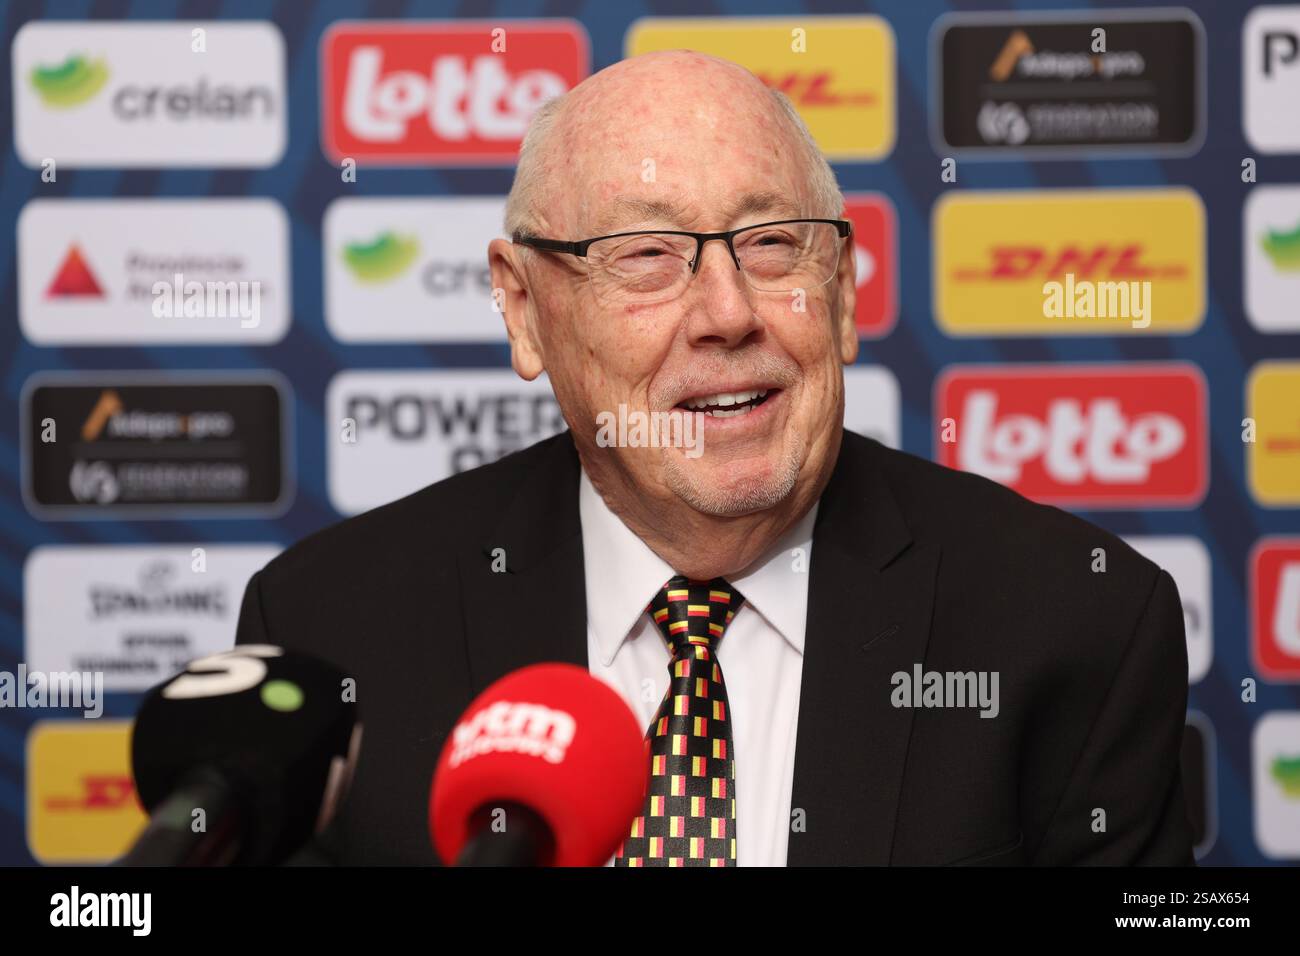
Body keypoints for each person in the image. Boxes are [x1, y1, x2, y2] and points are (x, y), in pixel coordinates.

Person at [236, 50, 1194, 866]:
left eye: (773, 245)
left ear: (845, 292)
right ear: (524, 310)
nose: (729, 314)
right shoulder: (333, 629)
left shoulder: (1079, 625)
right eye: (647, 255)